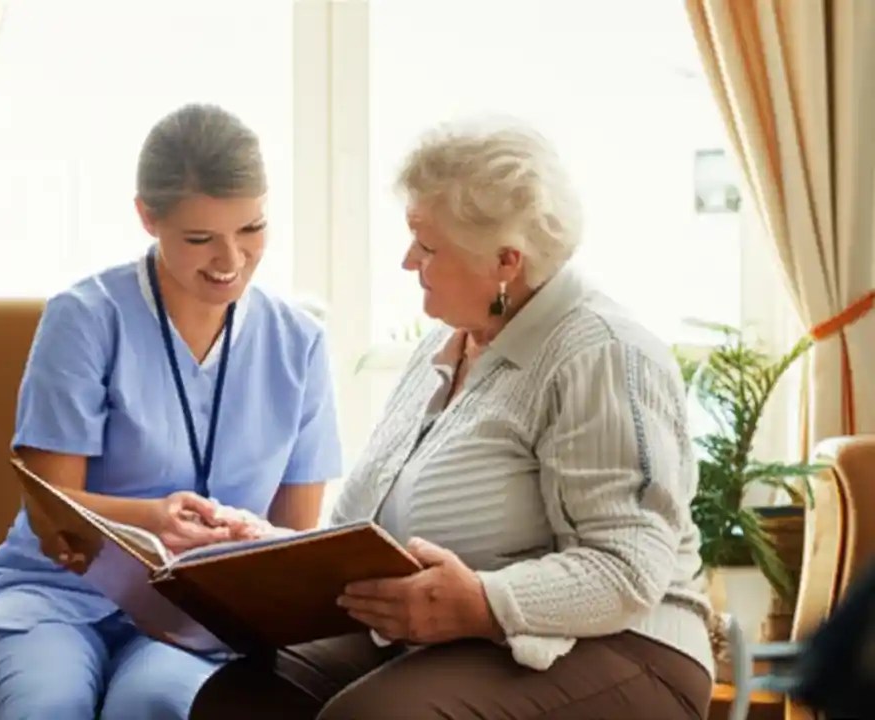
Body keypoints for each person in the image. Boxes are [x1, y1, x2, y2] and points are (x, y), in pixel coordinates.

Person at [190, 118, 715, 719]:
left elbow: (625, 570)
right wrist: (269, 549)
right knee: (243, 699)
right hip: (456, 639)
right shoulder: (445, 345)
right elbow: (366, 528)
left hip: (628, 651)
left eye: (427, 245)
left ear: (506, 262)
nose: (408, 260)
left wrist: (484, 602)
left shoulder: (601, 352)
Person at [0, 103, 343, 720]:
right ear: (147, 217)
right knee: (46, 707)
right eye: (200, 238)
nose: (231, 259)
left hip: (203, 620)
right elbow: (49, 506)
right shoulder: (84, 318)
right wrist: (152, 519)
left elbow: (293, 535)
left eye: (251, 229)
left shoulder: (299, 343)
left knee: (152, 706)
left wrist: (255, 544)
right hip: (49, 597)